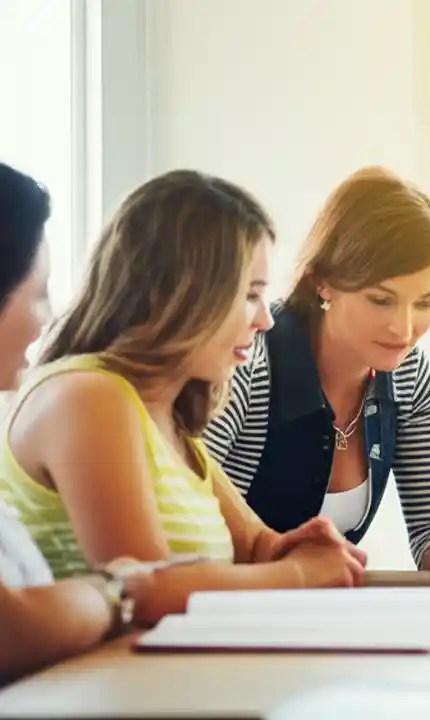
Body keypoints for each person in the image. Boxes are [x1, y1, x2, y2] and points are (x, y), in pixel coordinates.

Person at [0, 169, 366, 644]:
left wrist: (295, 548)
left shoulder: (167, 416)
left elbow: (256, 545)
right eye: (250, 294)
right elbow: (152, 593)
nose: (264, 321)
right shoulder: (91, 396)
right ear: (183, 293)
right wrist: (298, 574)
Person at [204, 167, 430, 593]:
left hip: (322, 620)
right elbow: (193, 520)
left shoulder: (412, 377)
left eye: (425, 302)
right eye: (381, 300)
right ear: (323, 283)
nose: (404, 330)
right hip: (225, 612)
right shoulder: (249, 361)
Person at [0, 163, 127, 682]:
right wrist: (112, 591)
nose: (48, 316)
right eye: (39, 291)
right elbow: (13, 627)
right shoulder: (84, 397)